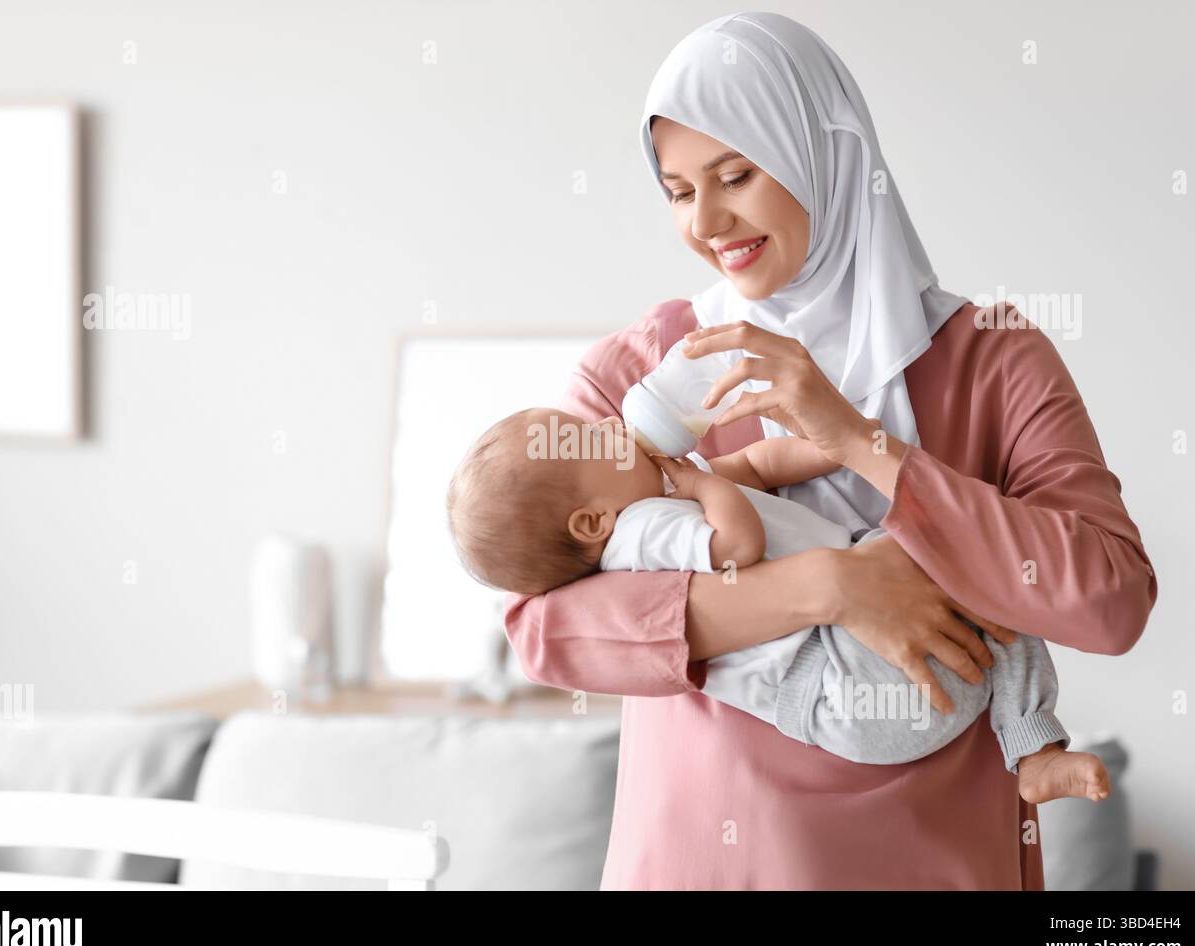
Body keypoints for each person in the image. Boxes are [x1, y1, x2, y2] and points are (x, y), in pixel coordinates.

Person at [505, 12, 1157, 889]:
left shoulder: (993, 357)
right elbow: (545, 630)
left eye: (736, 173)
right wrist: (829, 587)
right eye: (677, 189)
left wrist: (861, 442)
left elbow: (1111, 598)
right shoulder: (643, 374)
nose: (708, 219)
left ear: (826, 149)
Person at [446, 406, 1111, 803]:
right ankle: (1030, 742)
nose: (609, 424)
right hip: (835, 675)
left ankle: (1034, 753)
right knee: (961, 565)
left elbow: (759, 466)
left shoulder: (664, 493)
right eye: (588, 437)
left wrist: (839, 441)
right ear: (592, 523)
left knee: (980, 585)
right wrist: (704, 480)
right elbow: (738, 542)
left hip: (872, 688)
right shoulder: (642, 529)